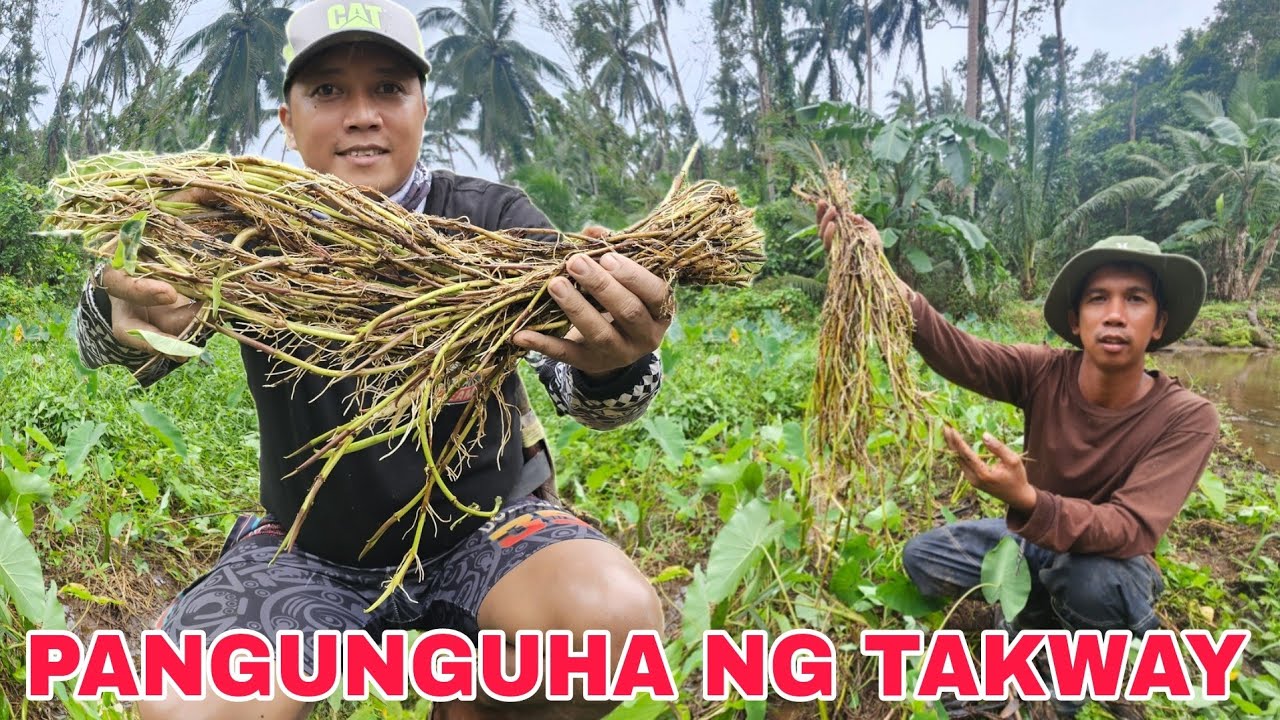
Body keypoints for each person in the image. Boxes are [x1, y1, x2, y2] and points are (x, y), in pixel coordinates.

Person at [74, 1, 671, 717]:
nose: (361, 114)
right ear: (288, 119)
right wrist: (121, 311)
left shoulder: (492, 222)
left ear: (423, 108)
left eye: (388, 88)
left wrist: (616, 361)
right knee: (183, 708)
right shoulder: (239, 232)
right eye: (327, 91)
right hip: (309, 550)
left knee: (608, 627)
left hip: (486, 533)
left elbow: (586, 393)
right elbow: (96, 344)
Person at [818, 206, 1219, 718]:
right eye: (1099, 299)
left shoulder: (1186, 416)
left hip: (1111, 564)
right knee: (923, 559)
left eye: (1135, 299)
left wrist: (1028, 499)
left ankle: (1084, 673)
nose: (1115, 314)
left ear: (1159, 322)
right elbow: (959, 351)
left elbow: (1130, 526)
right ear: (1076, 320)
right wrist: (870, 266)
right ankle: (1034, 622)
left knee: (1091, 583)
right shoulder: (1043, 371)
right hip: (1032, 541)